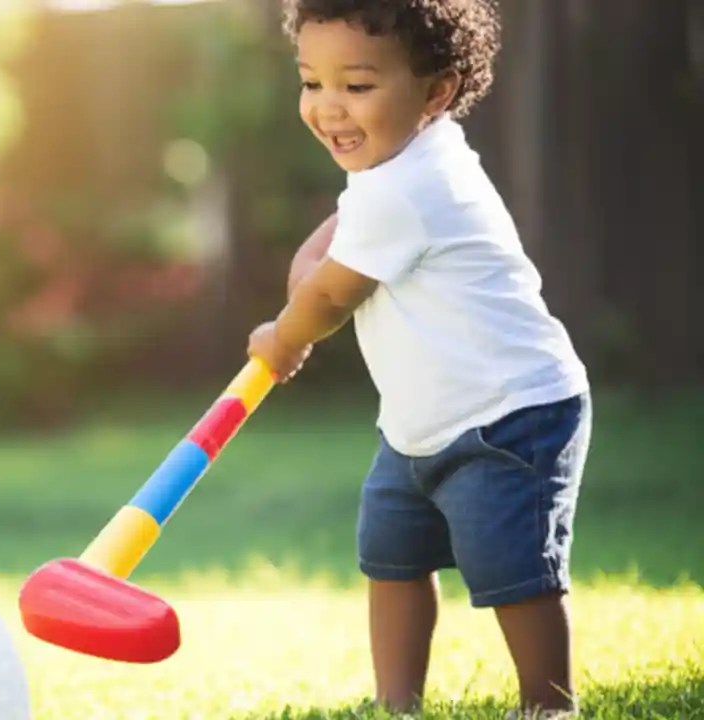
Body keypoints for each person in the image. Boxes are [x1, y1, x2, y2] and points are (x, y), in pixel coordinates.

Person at [246, 1, 592, 716]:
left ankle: (548, 702)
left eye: (357, 85)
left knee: (513, 570)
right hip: (418, 423)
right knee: (392, 558)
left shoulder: (414, 186)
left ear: (435, 91)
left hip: (509, 413)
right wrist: (307, 278)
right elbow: (339, 241)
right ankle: (395, 702)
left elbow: (332, 296)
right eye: (312, 82)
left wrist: (285, 338)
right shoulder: (402, 156)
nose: (328, 108)